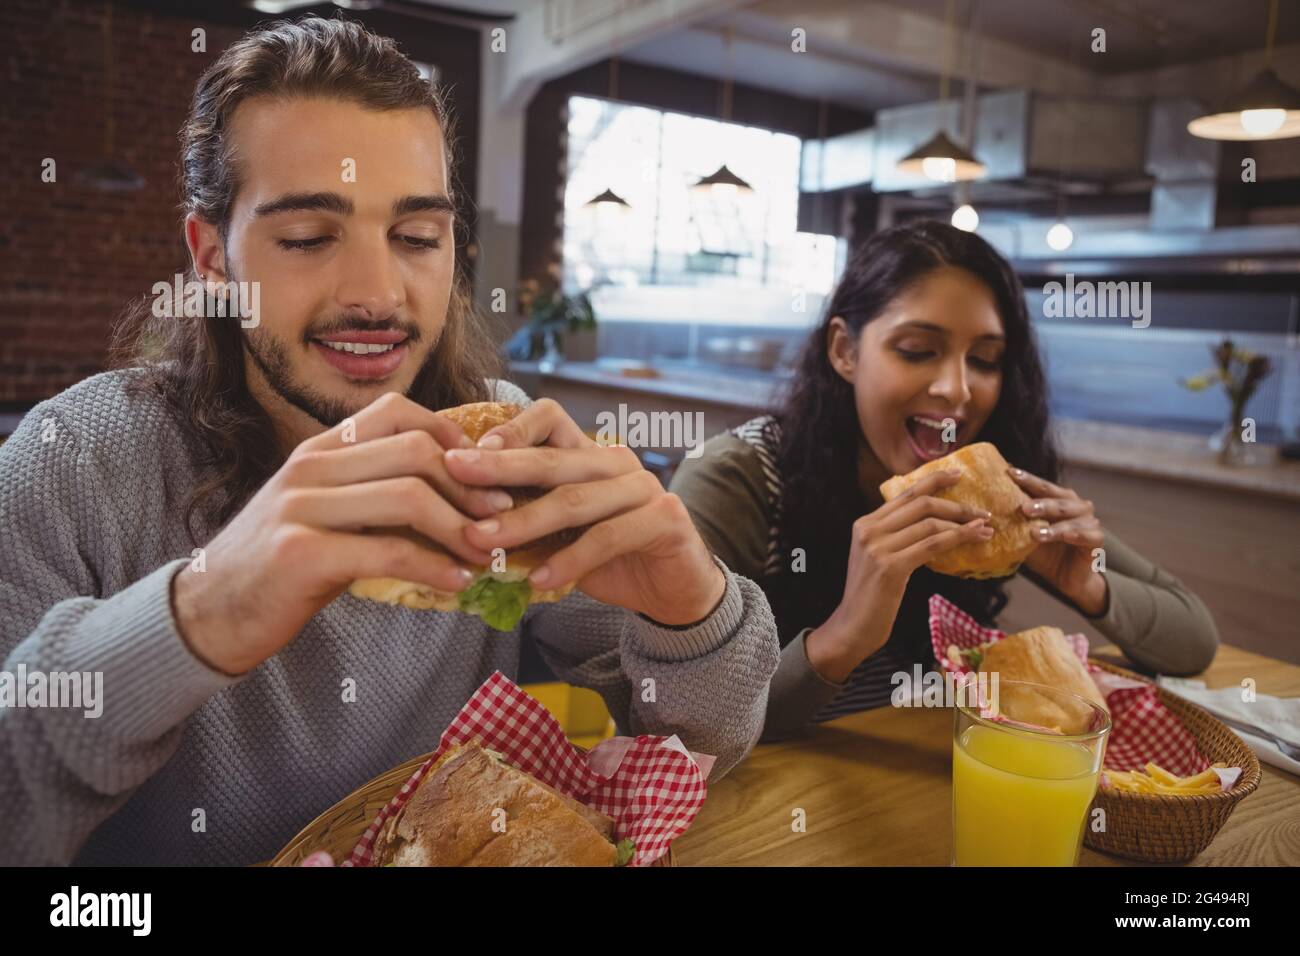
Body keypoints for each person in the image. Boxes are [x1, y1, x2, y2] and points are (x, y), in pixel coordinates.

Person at [0, 16, 778, 866]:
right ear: (212, 257)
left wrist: (691, 610)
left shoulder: (506, 446)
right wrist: (199, 613)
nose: (377, 294)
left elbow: (694, 749)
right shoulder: (69, 465)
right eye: (307, 238)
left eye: (416, 237)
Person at [670, 219, 1218, 740]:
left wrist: (1086, 584)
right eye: (918, 351)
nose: (958, 389)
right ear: (844, 351)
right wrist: (844, 637)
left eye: (984, 360)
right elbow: (678, 723)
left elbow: (1193, 642)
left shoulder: (995, 486)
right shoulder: (740, 476)